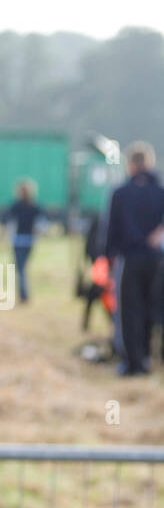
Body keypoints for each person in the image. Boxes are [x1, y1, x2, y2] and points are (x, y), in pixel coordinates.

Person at [105, 141, 164, 376]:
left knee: (130, 310)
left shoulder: (121, 193)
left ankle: (133, 363)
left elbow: (112, 229)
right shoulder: (160, 192)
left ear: (131, 165)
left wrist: (108, 255)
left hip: (130, 258)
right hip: (157, 260)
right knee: (153, 307)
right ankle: (149, 357)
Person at [1, 180, 42, 303]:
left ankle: (24, 295)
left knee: (20, 269)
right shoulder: (35, 206)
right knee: (22, 268)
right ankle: (24, 294)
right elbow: (41, 224)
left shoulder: (16, 206)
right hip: (29, 241)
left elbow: (5, 221)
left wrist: (2, 238)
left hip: (18, 241)